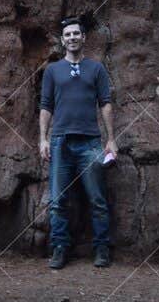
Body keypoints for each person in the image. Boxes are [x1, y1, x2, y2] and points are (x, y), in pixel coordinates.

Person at [37, 17, 117, 268]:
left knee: (97, 199)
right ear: (63, 41)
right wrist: (43, 138)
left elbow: (105, 103)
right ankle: (59, 248)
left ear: (84, 38)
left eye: (76, 34)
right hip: (60, 142)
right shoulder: (52, 70)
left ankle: (102, 248)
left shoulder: (96, 69)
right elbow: (46, 106)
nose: (72, 38)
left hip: (90, 142)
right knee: (58, 200)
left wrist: (111, 139)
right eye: (67, 35)